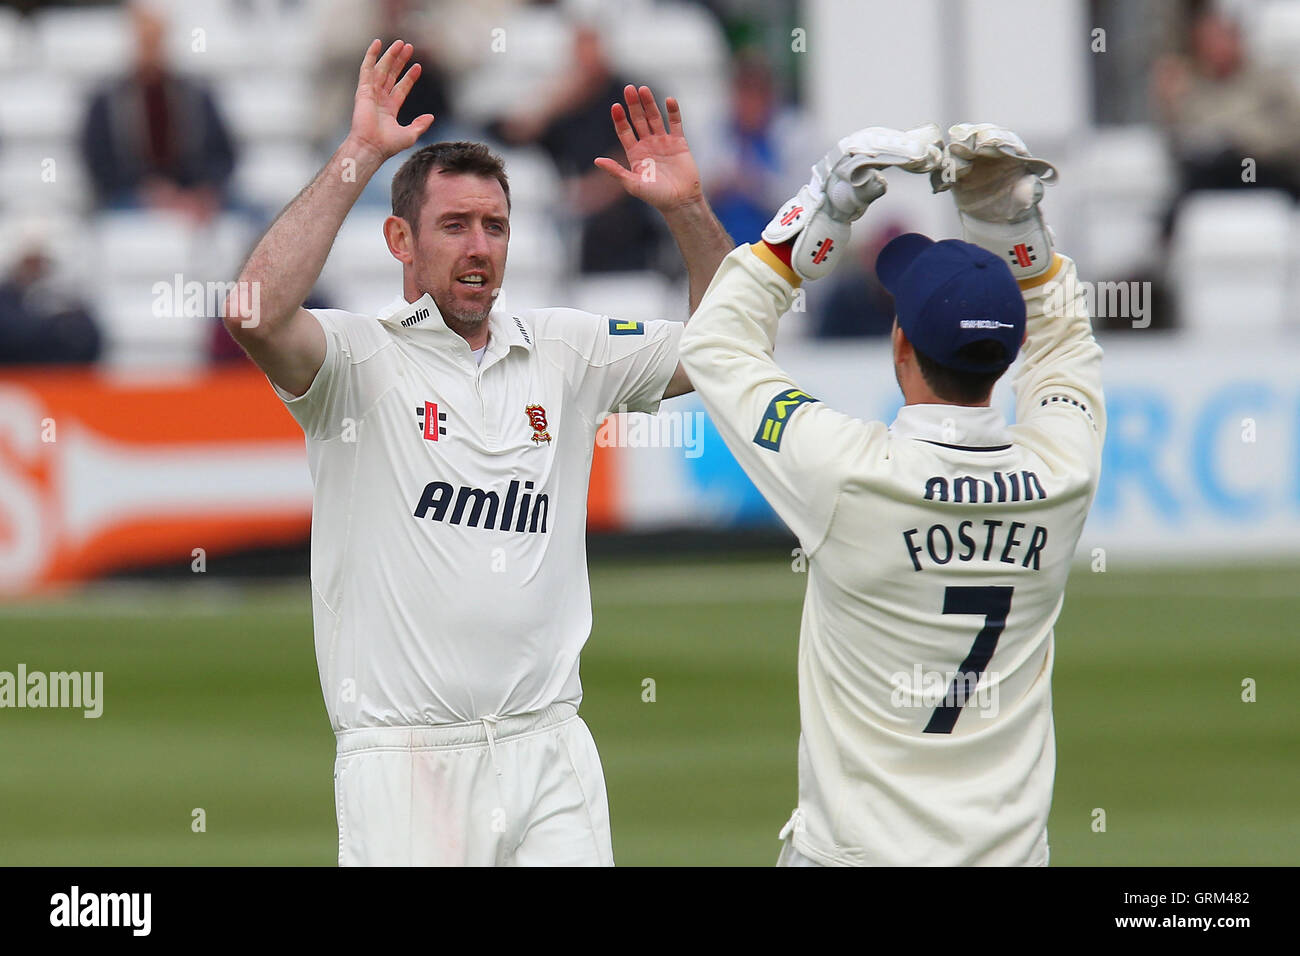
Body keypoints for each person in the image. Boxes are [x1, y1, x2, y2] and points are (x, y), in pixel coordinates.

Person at [222, 39, 731, 866]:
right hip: (407, 762)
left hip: (548, 746)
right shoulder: (358, 361)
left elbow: (720, 348)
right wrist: (358, 154)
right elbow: (251, 311)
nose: (480, 246)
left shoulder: (565, 349)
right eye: (454, 225)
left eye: (495, 226)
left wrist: (684, 211)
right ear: (399, 239)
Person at [677, 123, 1105, 865]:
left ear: (900, 343)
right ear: (1001, 361)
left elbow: (714, 344)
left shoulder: (846, 471)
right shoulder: (1064, 472)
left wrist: (822, 208)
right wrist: (1014, 227)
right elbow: (1065, 345)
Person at [79, 1, 237, 219]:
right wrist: (148, 193)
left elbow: (223, 155)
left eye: (156, 40)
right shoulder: (107, 101)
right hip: (130, 198)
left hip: (193, 194)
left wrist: (202, 191)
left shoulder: (196, 95)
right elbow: (98, 163)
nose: (151, 49)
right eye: (145, 41)